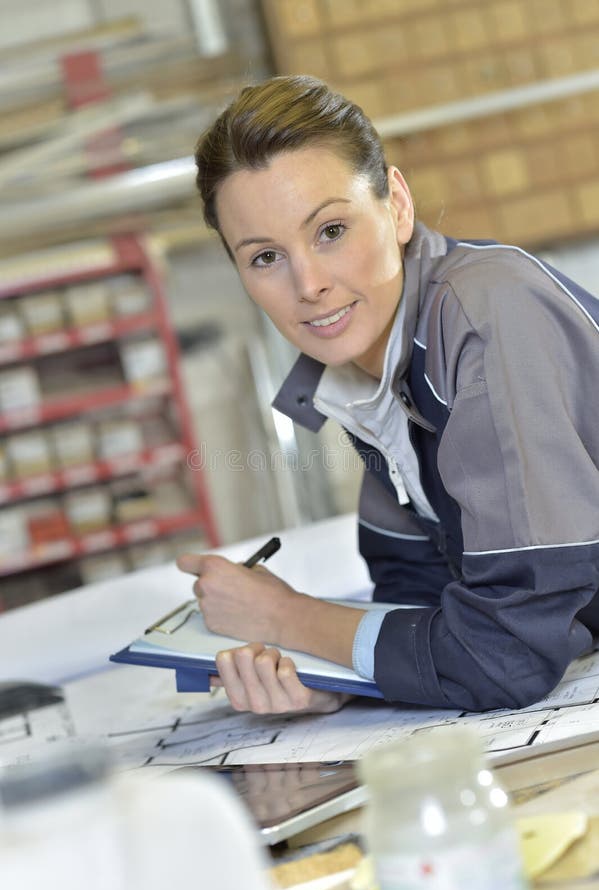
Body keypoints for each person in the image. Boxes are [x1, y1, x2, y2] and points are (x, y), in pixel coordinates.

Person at [177, 74, 599, 716]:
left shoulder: (486, 319)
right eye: (265, 257)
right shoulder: (363, 376)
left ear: (397, 205)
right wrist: (329, 682)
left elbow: (505, 653)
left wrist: (289, 617)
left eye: (330, 230)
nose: (309, 284)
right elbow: (415, 593)